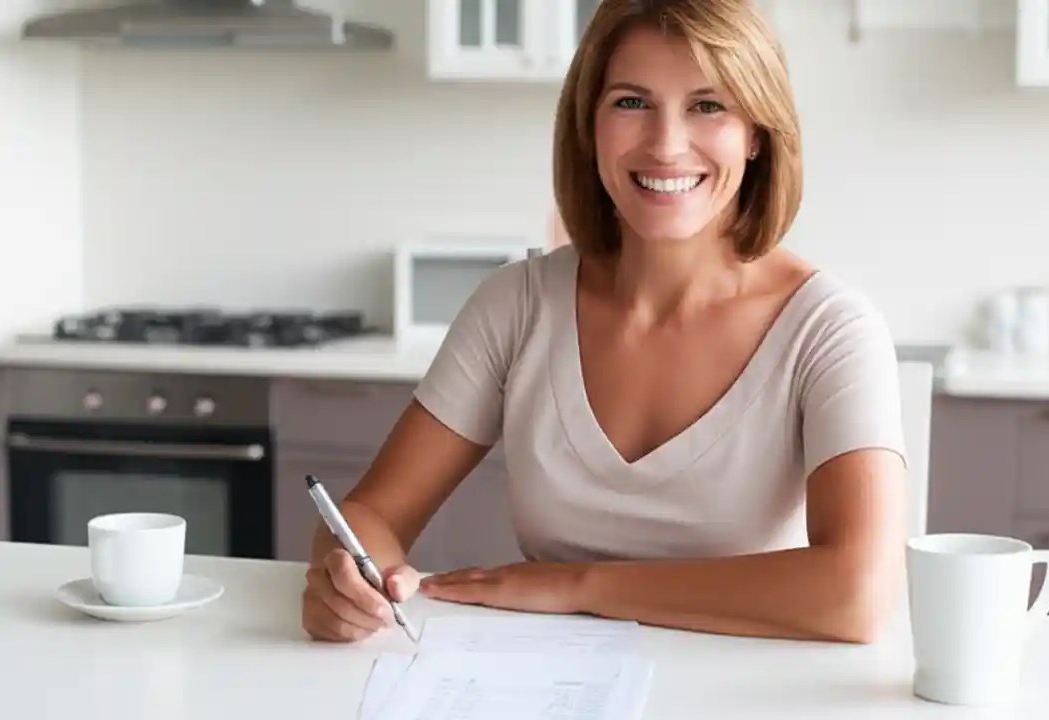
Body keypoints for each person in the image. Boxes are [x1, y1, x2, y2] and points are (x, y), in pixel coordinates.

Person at [302, 0, 908, 645]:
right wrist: (344, 579)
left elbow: (858, 596)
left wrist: (577, 584)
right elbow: (370, 513)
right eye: (630, 102)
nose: (666, 145)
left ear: (756, 133)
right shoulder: (517, 306)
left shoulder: (830, 331)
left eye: (709, 106)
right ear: (588, 126)